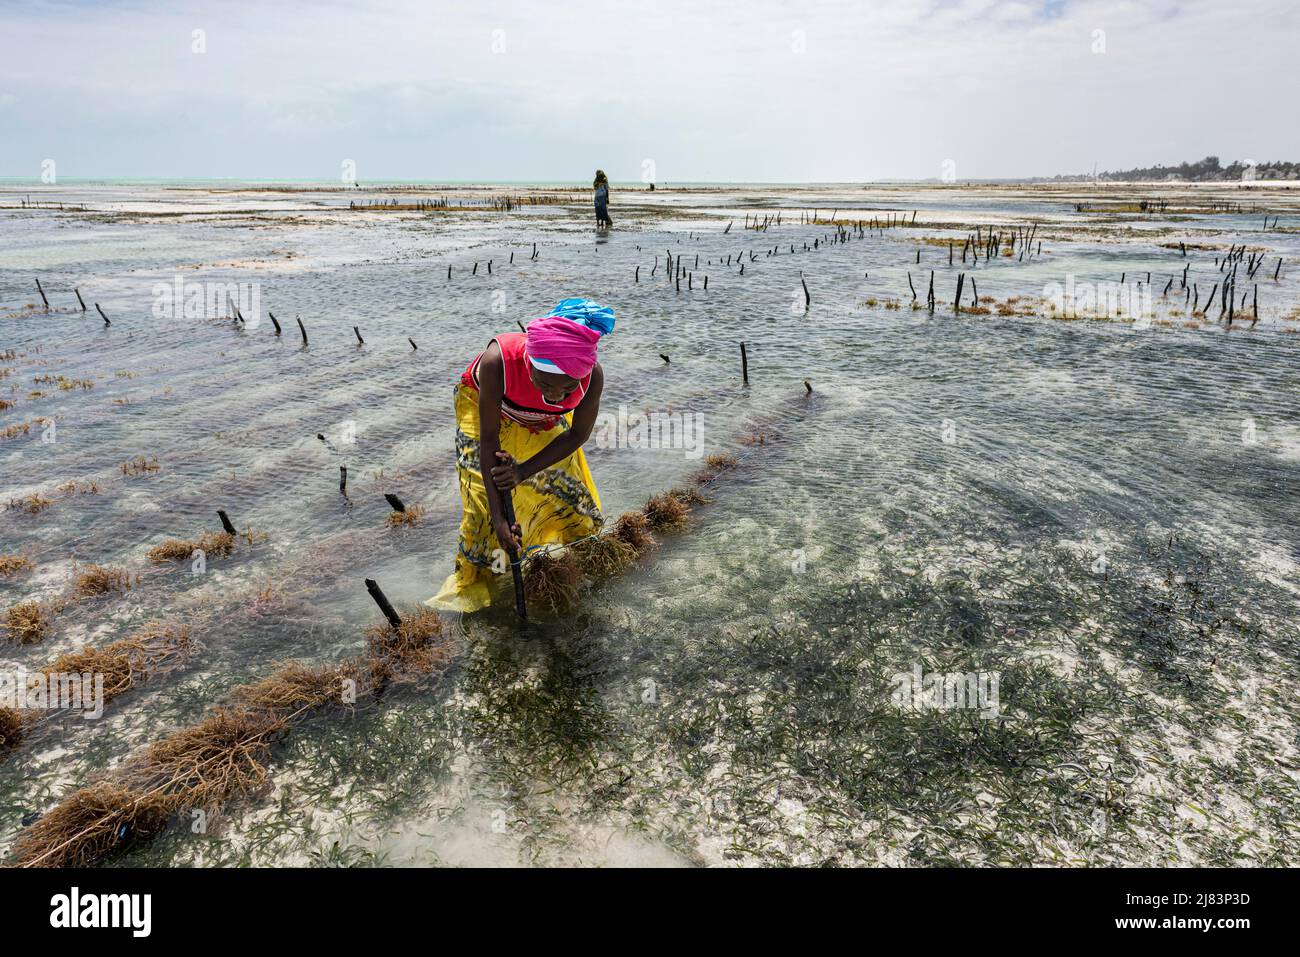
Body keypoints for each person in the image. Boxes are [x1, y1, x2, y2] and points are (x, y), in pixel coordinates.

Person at [428, 299, 615, 612]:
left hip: (539, 417)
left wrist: (522, 471)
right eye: (544, 383)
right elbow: (488, 439)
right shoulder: (496, 363)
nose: (554, 395)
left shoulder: (591, 377)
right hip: (486, 406)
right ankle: (485, 584)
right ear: (529, 362)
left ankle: (568, 557)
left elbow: (578, 434)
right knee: (482, 503)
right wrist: (500, 518)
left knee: (564, 492)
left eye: (567, 388)